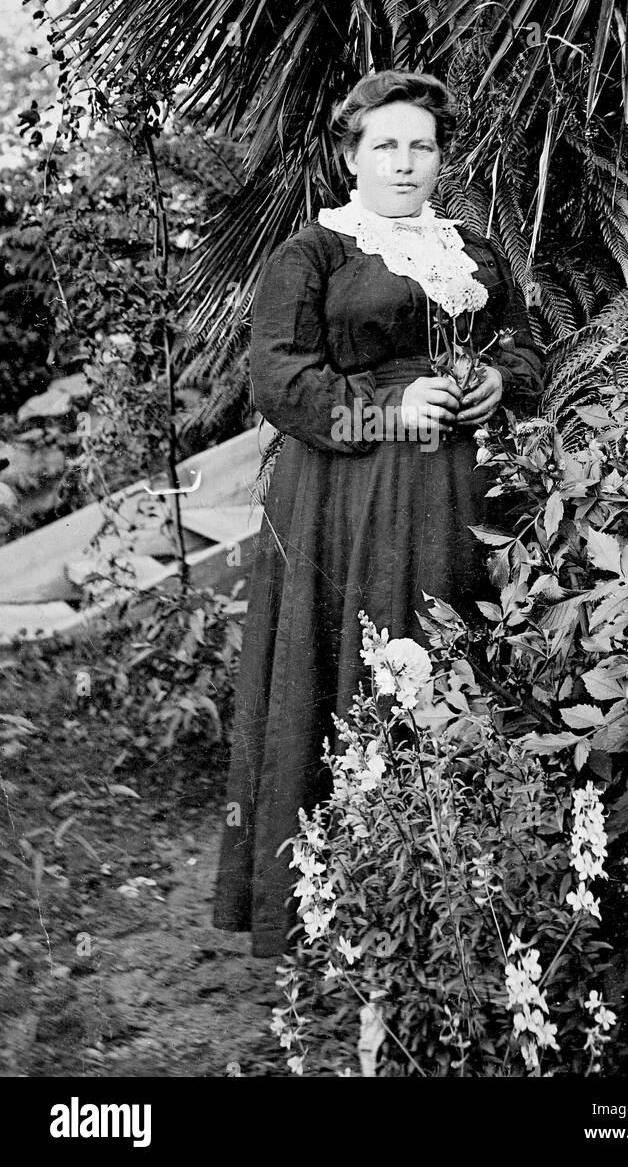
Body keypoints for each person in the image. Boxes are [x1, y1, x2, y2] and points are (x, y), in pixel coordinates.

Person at [213, 70, 543, 956]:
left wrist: (499, 382)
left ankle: (465, 889)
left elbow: (519, 340)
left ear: (441, 157)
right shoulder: (313, 254)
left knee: (459, 651)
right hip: (349, 495)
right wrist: (386, 411)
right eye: (386, 145)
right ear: (349, 156)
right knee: (366, 650)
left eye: (422, 145)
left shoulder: (471, 250)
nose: (406, 163)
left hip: (464, 488)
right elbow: (278, 378)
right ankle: (352, 900)